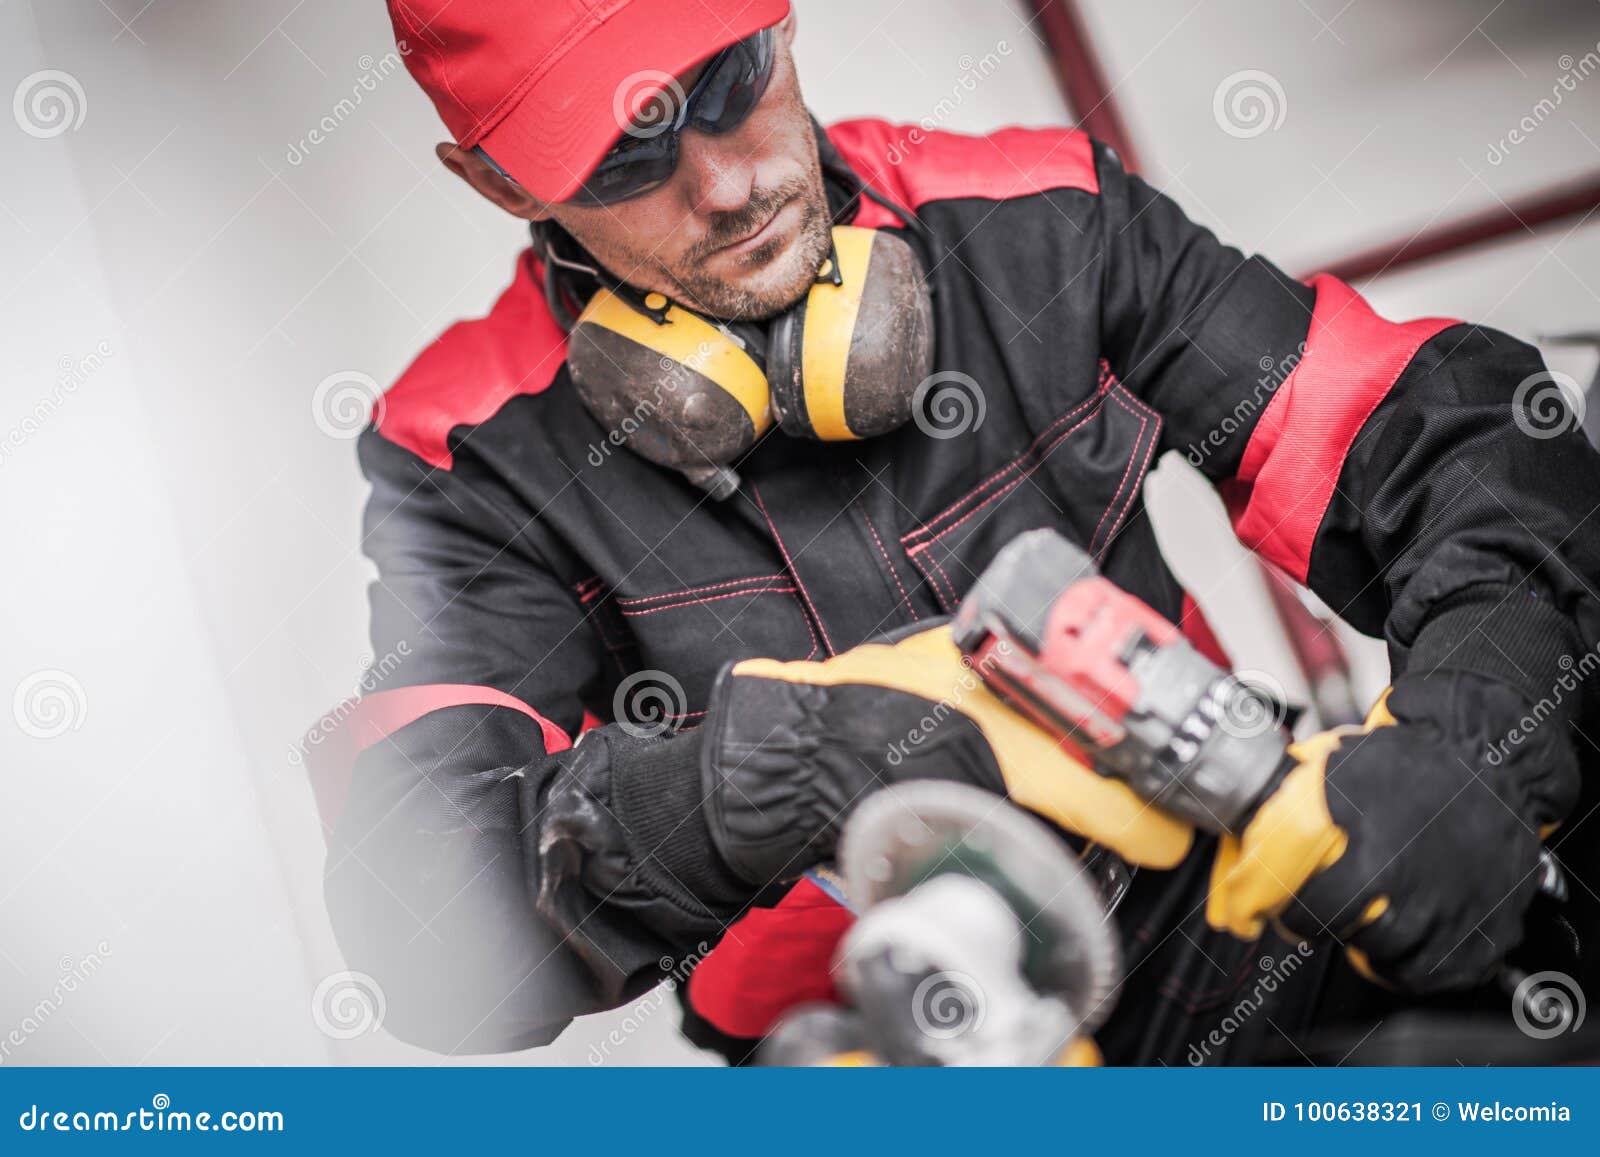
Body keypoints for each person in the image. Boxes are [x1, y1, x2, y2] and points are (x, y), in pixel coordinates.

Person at [322, 0, 1600, 1063]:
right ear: (494, 180)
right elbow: (418, 909)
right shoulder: (466, 454)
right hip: (895, 1051)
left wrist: (1468, 743)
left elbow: (1445, 444)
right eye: (619, 159)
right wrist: (785, 765)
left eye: (726, 80)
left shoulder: (1032, 214)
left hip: (1241, 911)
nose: (720, 182)